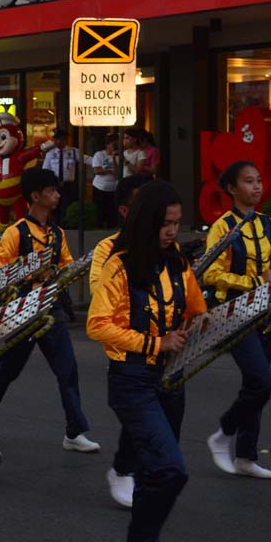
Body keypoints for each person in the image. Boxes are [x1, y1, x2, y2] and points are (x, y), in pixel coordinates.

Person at [87, 180, 206, 542]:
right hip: (132, 380)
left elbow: (196, 309)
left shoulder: (177, 263)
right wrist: (155, 342)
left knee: (161, 473)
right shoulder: (119, 265)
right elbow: (97, 325)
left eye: (176, 222)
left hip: (171, 377)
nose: (172, 231)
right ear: (144, 221)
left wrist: (205, 324)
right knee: (170, 469)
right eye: (164, 223)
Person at [0, 168, 100, 452]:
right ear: (35, 196)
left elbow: (66, 263)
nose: (57, 195)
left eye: (56, 190)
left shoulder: (56, 232)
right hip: (22, 312)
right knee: (9, 369)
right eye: (52, 191)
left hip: (50, 310)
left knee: (67, 369)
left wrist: (69, 269)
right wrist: (26, 270)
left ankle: (74, 431)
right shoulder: (15, 232)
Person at [203, 161, 271, 479]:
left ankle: (246, 457)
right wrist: (253, 283)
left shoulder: (269, 224)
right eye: (249, 182)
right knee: (261, 382)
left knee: (256, 385)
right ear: (231, 189)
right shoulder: (223, 227)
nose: (257, 186)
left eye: (259, 180)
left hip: (266, 312)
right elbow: (210, 273)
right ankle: (222, 433)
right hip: (233, 315)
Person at [87, 173, 154, 508]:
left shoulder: (166, 248)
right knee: (140, 411)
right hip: (126, 349)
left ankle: (138, 470)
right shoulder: (107, 249)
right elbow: (100, 299)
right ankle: (124, 470)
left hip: (162, 348)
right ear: (126, 211)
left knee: (158, 413)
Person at [41, 128, 81, 224]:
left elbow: (86, 159)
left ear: (65, 140)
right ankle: (54, 225)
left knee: (67, 205)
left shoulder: (73, 151)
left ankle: (65, 225)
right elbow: (45, 170)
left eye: (61, 139)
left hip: (69, 184)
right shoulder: (51, 154)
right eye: (57, 139)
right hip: (55, 184)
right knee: (54, 206)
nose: (59, 141)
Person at [92, 133, 121, 229]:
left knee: (112, 213)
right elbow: (97, 170)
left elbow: (117, 174)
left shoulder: (118, 156)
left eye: (117, 145)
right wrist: (109, 170)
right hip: (100, 187)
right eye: (114, 144)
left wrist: (113, 157)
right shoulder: (99, 154)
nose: (115, 147)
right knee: (99, 212)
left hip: (113, 187)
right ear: (107, 145)